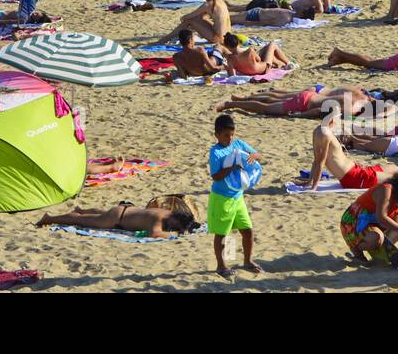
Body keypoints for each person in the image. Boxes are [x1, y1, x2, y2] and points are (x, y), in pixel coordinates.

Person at [207, 114, 262, 278]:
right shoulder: (215, 152)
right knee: (222, 234)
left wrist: (253, 156)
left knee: (247, 230)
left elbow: (258, 154)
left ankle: (247, 261)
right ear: (217, 134)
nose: (230, 138)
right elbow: (215, 176)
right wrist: (231, 168)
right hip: (222, 198)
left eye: (232, 134)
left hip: (238, 197)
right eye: (226, 135)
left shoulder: (238, 144)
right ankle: (221, 266)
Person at [339, 172, 398, 265]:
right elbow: (381, 217)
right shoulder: (386, 190)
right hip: (354, 222)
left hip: (374, 223)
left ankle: (381, 250)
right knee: (377, 237)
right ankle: (356, 250)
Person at [35, 204, 197, 238]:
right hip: (116, 219)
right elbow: (154, 233)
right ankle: (49, 218)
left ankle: (82, 209)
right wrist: (175, 234)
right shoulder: (159, 219)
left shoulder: (166, 212)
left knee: (97, 215)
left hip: (124, 209)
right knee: (82, 222)